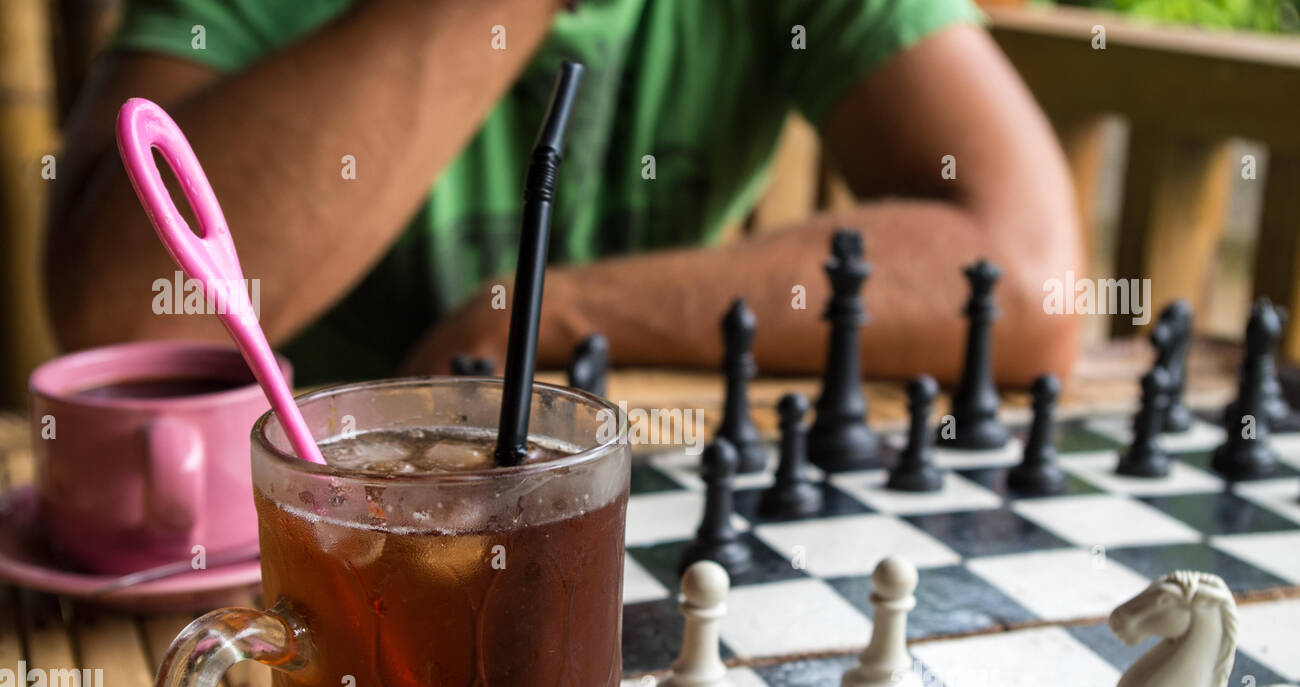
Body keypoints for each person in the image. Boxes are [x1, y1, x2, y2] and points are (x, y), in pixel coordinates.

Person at [45, 0, 1082, 387]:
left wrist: (553, 310)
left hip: (596, 522)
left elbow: (1028, 283)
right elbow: (120, 322)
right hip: (283, 564)